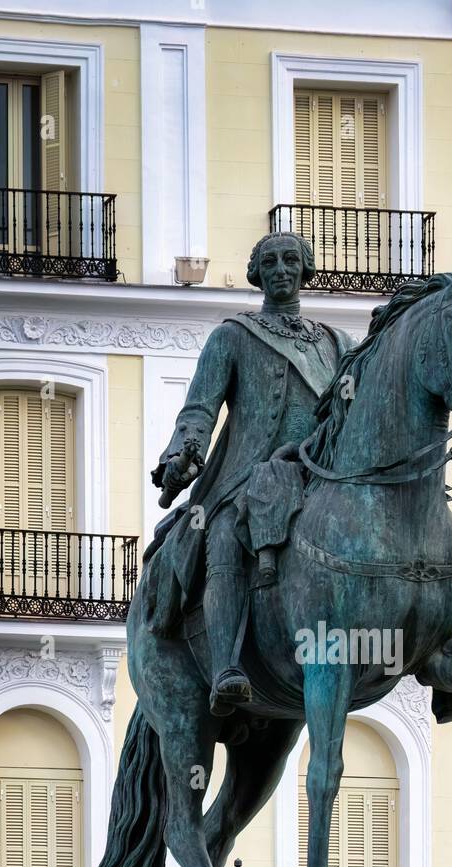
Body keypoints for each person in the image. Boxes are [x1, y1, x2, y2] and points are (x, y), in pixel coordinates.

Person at [145, 231, 351, 715]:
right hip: (249, 474)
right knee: (220, 534)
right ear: (257, 274)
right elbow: (199, 409)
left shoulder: (337, 343)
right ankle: (225, 668)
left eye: (291, 260)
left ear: (306, 269)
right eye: (271, 262)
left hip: (322, 473)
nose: (282, 269)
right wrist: (184, 454)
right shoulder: (233, 336)